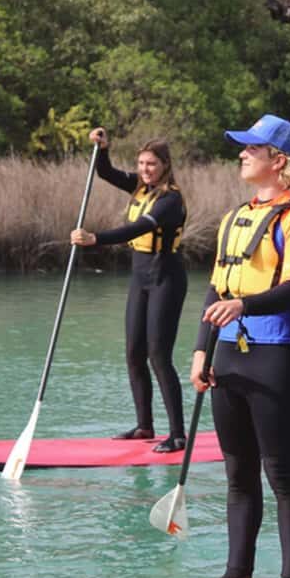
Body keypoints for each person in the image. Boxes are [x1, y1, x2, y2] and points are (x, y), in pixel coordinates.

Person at [187, 114, 290, 578]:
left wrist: (243, 307)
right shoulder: (232, 218)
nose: (241, 154)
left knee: (281, 473)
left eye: (252, 148)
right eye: (242, 147)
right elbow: (215, 289)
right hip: (227, 358)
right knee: (237, 474)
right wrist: (202, 351)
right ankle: (236, 577)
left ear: (279, 160)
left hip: (274, 358)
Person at [71, 127, 187, 453]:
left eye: (151, 164)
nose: (144, 169)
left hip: (167, 278)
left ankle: (178, 434)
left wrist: (96, 239)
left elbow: (138, 228)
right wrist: (103, 148)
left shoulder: (170, 200)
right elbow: (105, 171)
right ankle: (144, 425)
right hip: (140, 278)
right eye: (140, 163)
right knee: (134, 353)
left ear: (164, 165)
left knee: (158, 355)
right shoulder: (139, 187)